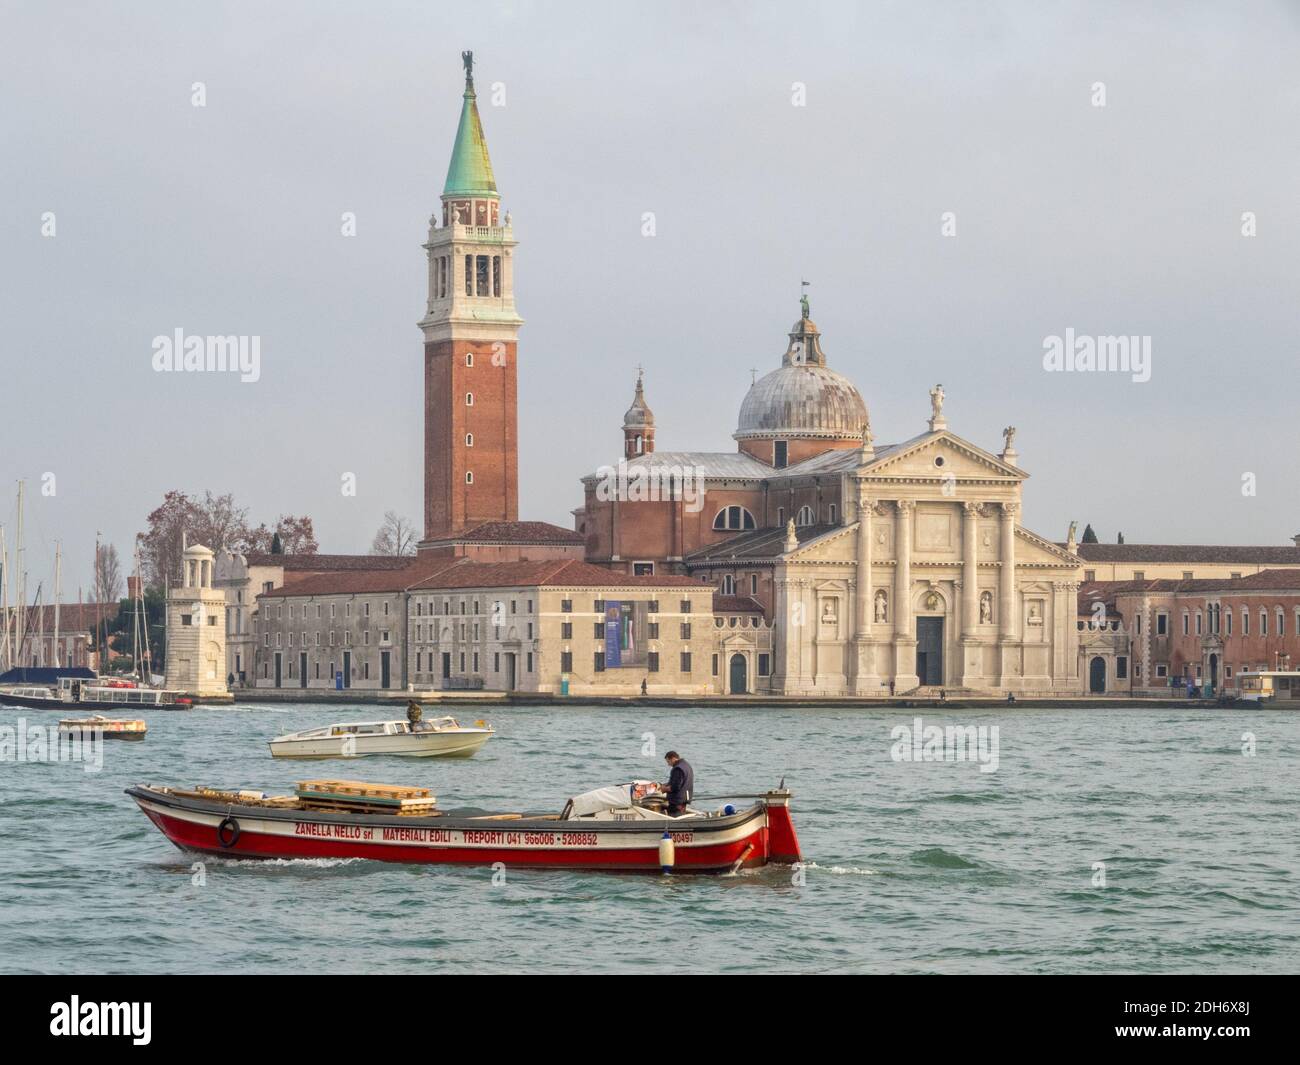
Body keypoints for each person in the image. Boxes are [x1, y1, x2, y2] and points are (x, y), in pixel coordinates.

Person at [662, 751, 694, 816]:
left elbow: (675, 787)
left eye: (668, 761)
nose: (669, 764)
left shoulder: (678, 769)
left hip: (677, 801)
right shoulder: (686, 765)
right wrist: (666, 784)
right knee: (680, 815)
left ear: (673, 758)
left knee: (674, 817)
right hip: (684, 799)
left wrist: (663, 789)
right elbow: (679, 781)